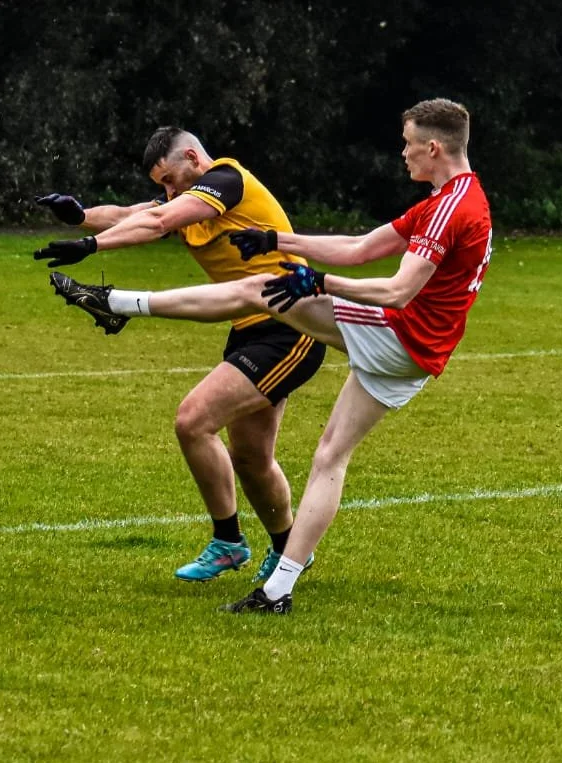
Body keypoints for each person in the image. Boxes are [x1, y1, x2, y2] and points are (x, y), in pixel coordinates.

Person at [48, 99, 492, 614]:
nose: (404, 152)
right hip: (418, 355)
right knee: (327, 456)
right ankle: (278, 588)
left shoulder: (449, 208)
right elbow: (357, 247)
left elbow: (396, 292)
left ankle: (119, 303)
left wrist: (318, 281)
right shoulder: (459, 198)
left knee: (261, 288)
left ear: (432, 147)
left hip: (399, 334)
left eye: (409, 143)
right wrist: (276, 238)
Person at [33, 126, 327, 584]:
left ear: (192, 158)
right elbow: (131, 214)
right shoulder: (190, 199)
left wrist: (89, 248)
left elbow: (156, 223)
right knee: (251, 456)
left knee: (193, 419)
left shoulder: (226, 181)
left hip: (291, 327)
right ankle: (289, 551)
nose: (167, 192)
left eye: (171, 180)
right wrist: (79, 216)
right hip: (248, 328)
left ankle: (229, 542)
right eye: (162, 186)